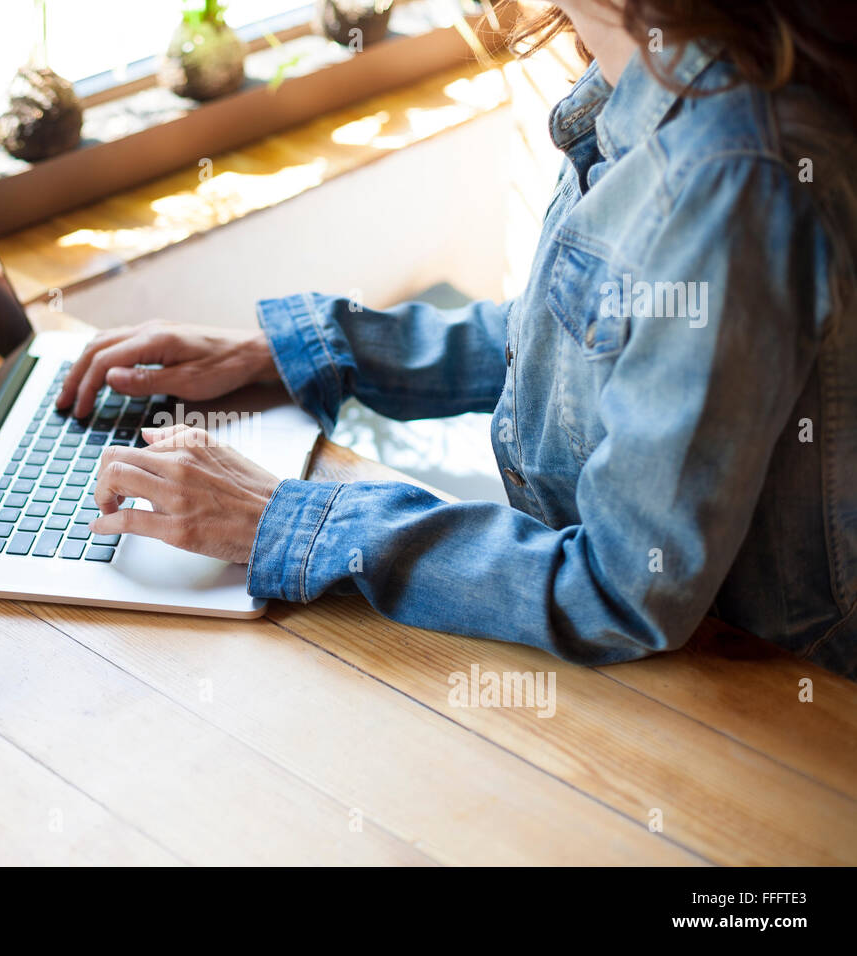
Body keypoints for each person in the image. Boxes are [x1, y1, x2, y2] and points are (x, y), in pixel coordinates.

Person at [56, 0, 857, 678]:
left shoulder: (734, 177)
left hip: (755, 696)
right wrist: (301, 349)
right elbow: (574, 338)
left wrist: (289, 520)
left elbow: (622, 592)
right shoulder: (643, 77)